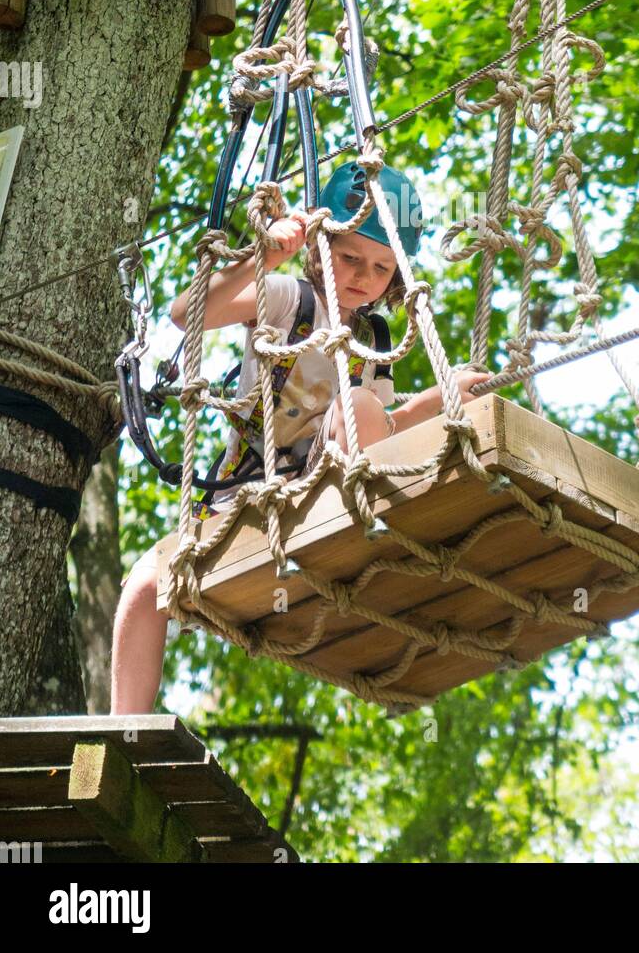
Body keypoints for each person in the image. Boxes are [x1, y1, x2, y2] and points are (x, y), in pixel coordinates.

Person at [110, 163, 488, 714]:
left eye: (382, 268)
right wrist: (263, 259)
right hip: (252, 488)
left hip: (330, 484)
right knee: (144, 589)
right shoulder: (291, 299)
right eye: (350, 257)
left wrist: (439, 399)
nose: (364, 276)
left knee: (363, 404)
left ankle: (367, 530)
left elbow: (380, 424)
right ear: (320, 247)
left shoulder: (374, 339)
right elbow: (185, 314)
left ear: (398, 277)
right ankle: (125, 732)